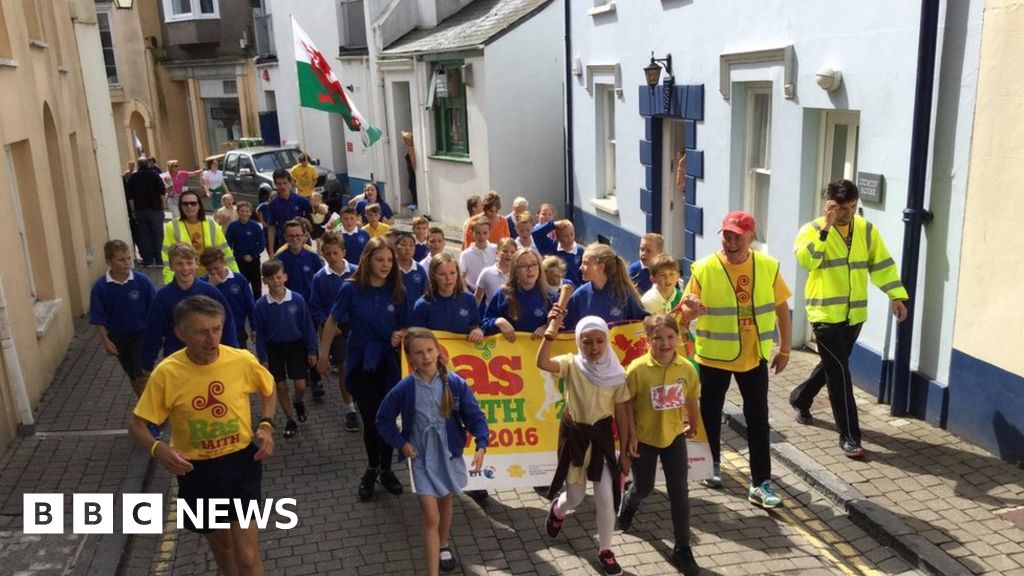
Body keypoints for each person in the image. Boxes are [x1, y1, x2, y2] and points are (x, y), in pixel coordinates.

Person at [129, 295, 276, 576]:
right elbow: (137, 424)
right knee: (223, 548)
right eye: (201, 332)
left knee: (247, 553)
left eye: (216, 329)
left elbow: (268, 389)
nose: (212, 339)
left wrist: (266, 425)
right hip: (198, 472)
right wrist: (157, 449)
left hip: (241, 464)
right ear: (180, 333)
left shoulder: (241, 360)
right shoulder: (167, 374)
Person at [679, 211, 791, 508]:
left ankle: (761, 482)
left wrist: (786, 348)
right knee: (710, 414)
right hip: (714, 356)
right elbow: (683, 316)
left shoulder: (767, 266)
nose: (730, 242)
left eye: (736, 237)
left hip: (754, 357)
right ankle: (712, 465)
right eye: (726, 236)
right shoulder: (704, 268)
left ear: (750, 237)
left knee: (758, 420)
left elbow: (781, 308)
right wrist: (691, 308)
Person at [789, 179, 909, 459]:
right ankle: (850, 436)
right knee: (840, 375)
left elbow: (881, 264)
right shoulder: (811, 230)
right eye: (843, 208)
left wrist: (896, 295)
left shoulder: (866, 230)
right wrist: (826, 229)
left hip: (854, 315)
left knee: (833, 366)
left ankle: (801, 397)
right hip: (824, 315)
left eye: (853, 207)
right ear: (829, 204)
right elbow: (808, 261)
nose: (848, 213)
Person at [376, 328, 488, 575]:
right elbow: (382, 419)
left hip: (448, 455)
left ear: (438, 351)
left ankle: (444, 544)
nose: (426, 356)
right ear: (410, 359)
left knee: (445, 504)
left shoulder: (455, 384)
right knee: (430, 515)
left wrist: (481, 444)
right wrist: (402, 444)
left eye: (429, 350)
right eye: (419, 352)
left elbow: (475, 416)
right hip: (421, 458)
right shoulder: (405, 388)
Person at [538, 315, 633, 576]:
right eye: (587, 341)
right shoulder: (571, 364)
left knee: (606, 498)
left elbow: (623, 414)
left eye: (600, 341)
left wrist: (624, 452)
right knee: (576, 496)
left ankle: (605, 550)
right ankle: (558, 509)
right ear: (579, 342)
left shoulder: (617, 373)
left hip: (602, 439)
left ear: (607, 340)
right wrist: (551, 331)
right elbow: (542, 362)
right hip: (576, 437)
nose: (594, 348)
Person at [317, 237, 409, 501]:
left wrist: (400, 334)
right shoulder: (351, 288)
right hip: (361, 363)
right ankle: (372, 468)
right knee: (371, 420)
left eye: (390, 260)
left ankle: (387, 469)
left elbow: (409, 326)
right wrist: (324, 356)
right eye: (380, 259)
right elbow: (333, 319)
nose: (386, 265)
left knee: (388, 418)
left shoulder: (397, 290)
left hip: (389, 364)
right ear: (367, 259)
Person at [617, 314, 701, 576]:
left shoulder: (686, 368)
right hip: (644, 438)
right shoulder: (637, 369)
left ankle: (683, 548)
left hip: (673, 436)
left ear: (678, 338)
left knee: (680, 493)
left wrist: (695, 424)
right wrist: (629, 437)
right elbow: (626, 405)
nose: (665, 344)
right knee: (645, 486)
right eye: (658, 338)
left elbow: (692, 398)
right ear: (648, 340)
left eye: (670, 337)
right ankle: (629, 501)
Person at [142, 243, 239, 373]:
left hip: (210, 358)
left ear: (196, 263)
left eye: (189, 263)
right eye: (180, 264)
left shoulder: (210, 292)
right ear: (171, 266)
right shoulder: (162, 297)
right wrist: (147, 361)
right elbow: (154, 331)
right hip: (178, 361)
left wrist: (233, 351)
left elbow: (227, 321)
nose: (185, 268)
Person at [253, 260, 319, 439]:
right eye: (271, 278)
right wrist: (263, 357)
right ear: (265, 281)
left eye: (278, 277)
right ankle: (290, 419)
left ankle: (298, 402)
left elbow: (307, 326)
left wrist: (312, 349)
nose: (275, 281)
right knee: (280, 386)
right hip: (274, 348)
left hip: (296, 346)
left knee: (300, 385)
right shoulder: (261, 305)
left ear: (285, 277)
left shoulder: (297, 299)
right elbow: (260, 333)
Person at [90, 240, 156, 398]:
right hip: (119, 337)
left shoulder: (142, 282)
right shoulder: (101, 287)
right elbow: (99, 317)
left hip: (141, 334)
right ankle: (144, 405)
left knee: (142, 373)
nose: (127, 263)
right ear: (109, 261)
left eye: (128, 258)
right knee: (133, 375)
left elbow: (154, 308)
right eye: (121, 260)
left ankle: (153, 410)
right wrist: (106, 341)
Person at [308, 232, 361, 431]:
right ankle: (350, 410)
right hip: (337, 331)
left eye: (335, 253)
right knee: (345, 368)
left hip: (359, 328)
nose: (332, 257)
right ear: (322, 255)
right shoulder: (319, 278)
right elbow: (315, 308)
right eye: (328, 254)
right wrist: (327, 322)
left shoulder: (357, 272)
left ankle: (364, 401)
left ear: (343, 252)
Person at [560, 243, 648, 330]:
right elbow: (565, 327)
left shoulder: (623, 293)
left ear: (601, 267)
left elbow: (642, 320)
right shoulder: (579, 296)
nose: (580, 268)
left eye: (586, 263)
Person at [161, 190, 239, 284]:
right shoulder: (172, 227)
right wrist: (169, 282)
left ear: (199, 206)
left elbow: (225, 252)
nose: (189, 206)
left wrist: (236, 276)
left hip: (211, 277)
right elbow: (167, 258)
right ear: (181, 207)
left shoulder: (212, 225)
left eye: (193, 203)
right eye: (185, 204)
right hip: (185, 278)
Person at [410, 253, 483, 341]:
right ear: (433, 276)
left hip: (460, 353)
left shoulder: (469, 299)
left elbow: (475, 324)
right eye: (442, 274)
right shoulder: (422, 305)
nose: (448, 278)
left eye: (452, 273)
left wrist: (477, 331)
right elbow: (416, 339)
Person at [482, 249, 550, 341]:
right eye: (524, 265)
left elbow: (559, 324)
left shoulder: (549, 295)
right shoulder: (503, 293)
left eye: (534, 264)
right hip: (508, 351)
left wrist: (546, 327)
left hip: (536, 351)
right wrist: (499, 321)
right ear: (515, 270)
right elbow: (485, 324)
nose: (530, 269)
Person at [200, 247, 256, 349]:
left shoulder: (239, 279)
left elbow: (250, 305)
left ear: (223, 262)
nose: (214, 273)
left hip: (238, 329)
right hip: (213, 332)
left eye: (217, 268)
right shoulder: (203, 283)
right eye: (209, 270)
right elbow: (199, 306)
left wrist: (254, 327)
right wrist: (210, 287)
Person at [126, 156, 167, 268]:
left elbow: (130, 196)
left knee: (144, 235)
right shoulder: (154, 175)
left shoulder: (133, 177)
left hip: (140, 209)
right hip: (155, 208)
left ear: (138, 165)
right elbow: (162, 191)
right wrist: (163, 205)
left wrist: (133, 209)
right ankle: (159, 260)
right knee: (158, 234)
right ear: (148, 164)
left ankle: (148, 260)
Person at [274, 220, 323, 303]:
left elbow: (321, 279)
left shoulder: (313, 256)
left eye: (298, 235)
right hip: (288, 301)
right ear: (285, 237)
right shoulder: (279, 257)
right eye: (291, 236)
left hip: (309, 300)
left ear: (304, 236)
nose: (295, 239)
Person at [266, 169, 312, 254]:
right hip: (285, 244)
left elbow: (314, 218)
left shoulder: (301, 200)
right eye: (279, 184)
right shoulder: (273, 205)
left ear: (290, 183)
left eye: (285, 183)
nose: (282, 187)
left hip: (303, 244)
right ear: (275, 185)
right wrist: (271, 250)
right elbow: (271, 228)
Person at [226, 201, 266, 299]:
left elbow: (261, 244)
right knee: (240, 285)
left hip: (254, 260)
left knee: (256, 286)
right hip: (239, 261)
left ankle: (257, 306)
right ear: (238, 212)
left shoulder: (255, 226)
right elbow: (227, 245)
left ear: (251, 212)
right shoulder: (233, 227)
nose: (244, 213)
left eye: (247, 211)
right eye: (242, 211)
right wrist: (231, 259)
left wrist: (252, 255)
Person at [532, 219, 584, 287]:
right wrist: (553, 224)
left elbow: (583, 275)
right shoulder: (551, 246)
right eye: (565, 236)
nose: (570, 238)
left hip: (573, 290)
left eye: (572, 234)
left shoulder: (580, 251)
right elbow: (535, 234)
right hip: (553, 290)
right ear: (557, 237)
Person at [474, 238, 515, 311]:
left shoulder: (518, 274)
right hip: (491, 315)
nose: (509, 254)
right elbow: (477, 299)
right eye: (505, 251)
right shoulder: (486, 272)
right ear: (497, 252)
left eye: (512, 252)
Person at [459, 216, 497, 294]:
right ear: (472, 233)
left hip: (493, 292)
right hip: (474, 292)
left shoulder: (496, 249)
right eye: (478, 233)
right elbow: (461, 276)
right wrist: (467, 292)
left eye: (485, 233)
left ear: (489, 233)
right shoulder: (466, 255)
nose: (481, 236)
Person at [395, 231, 429, 303]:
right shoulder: (391, 268)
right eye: (403, 245)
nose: (407, 248)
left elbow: (426, 294)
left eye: (411, 245)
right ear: (396, 247)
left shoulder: (420, 269)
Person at [401, 131, 419, 211]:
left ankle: (415, 202)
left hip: (411, 170)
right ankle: (414, 202)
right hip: (410, 169)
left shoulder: (410, 148)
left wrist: (415, 170)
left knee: (412, 185)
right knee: (411, 185)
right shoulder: (410, 147)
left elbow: (413, 160)